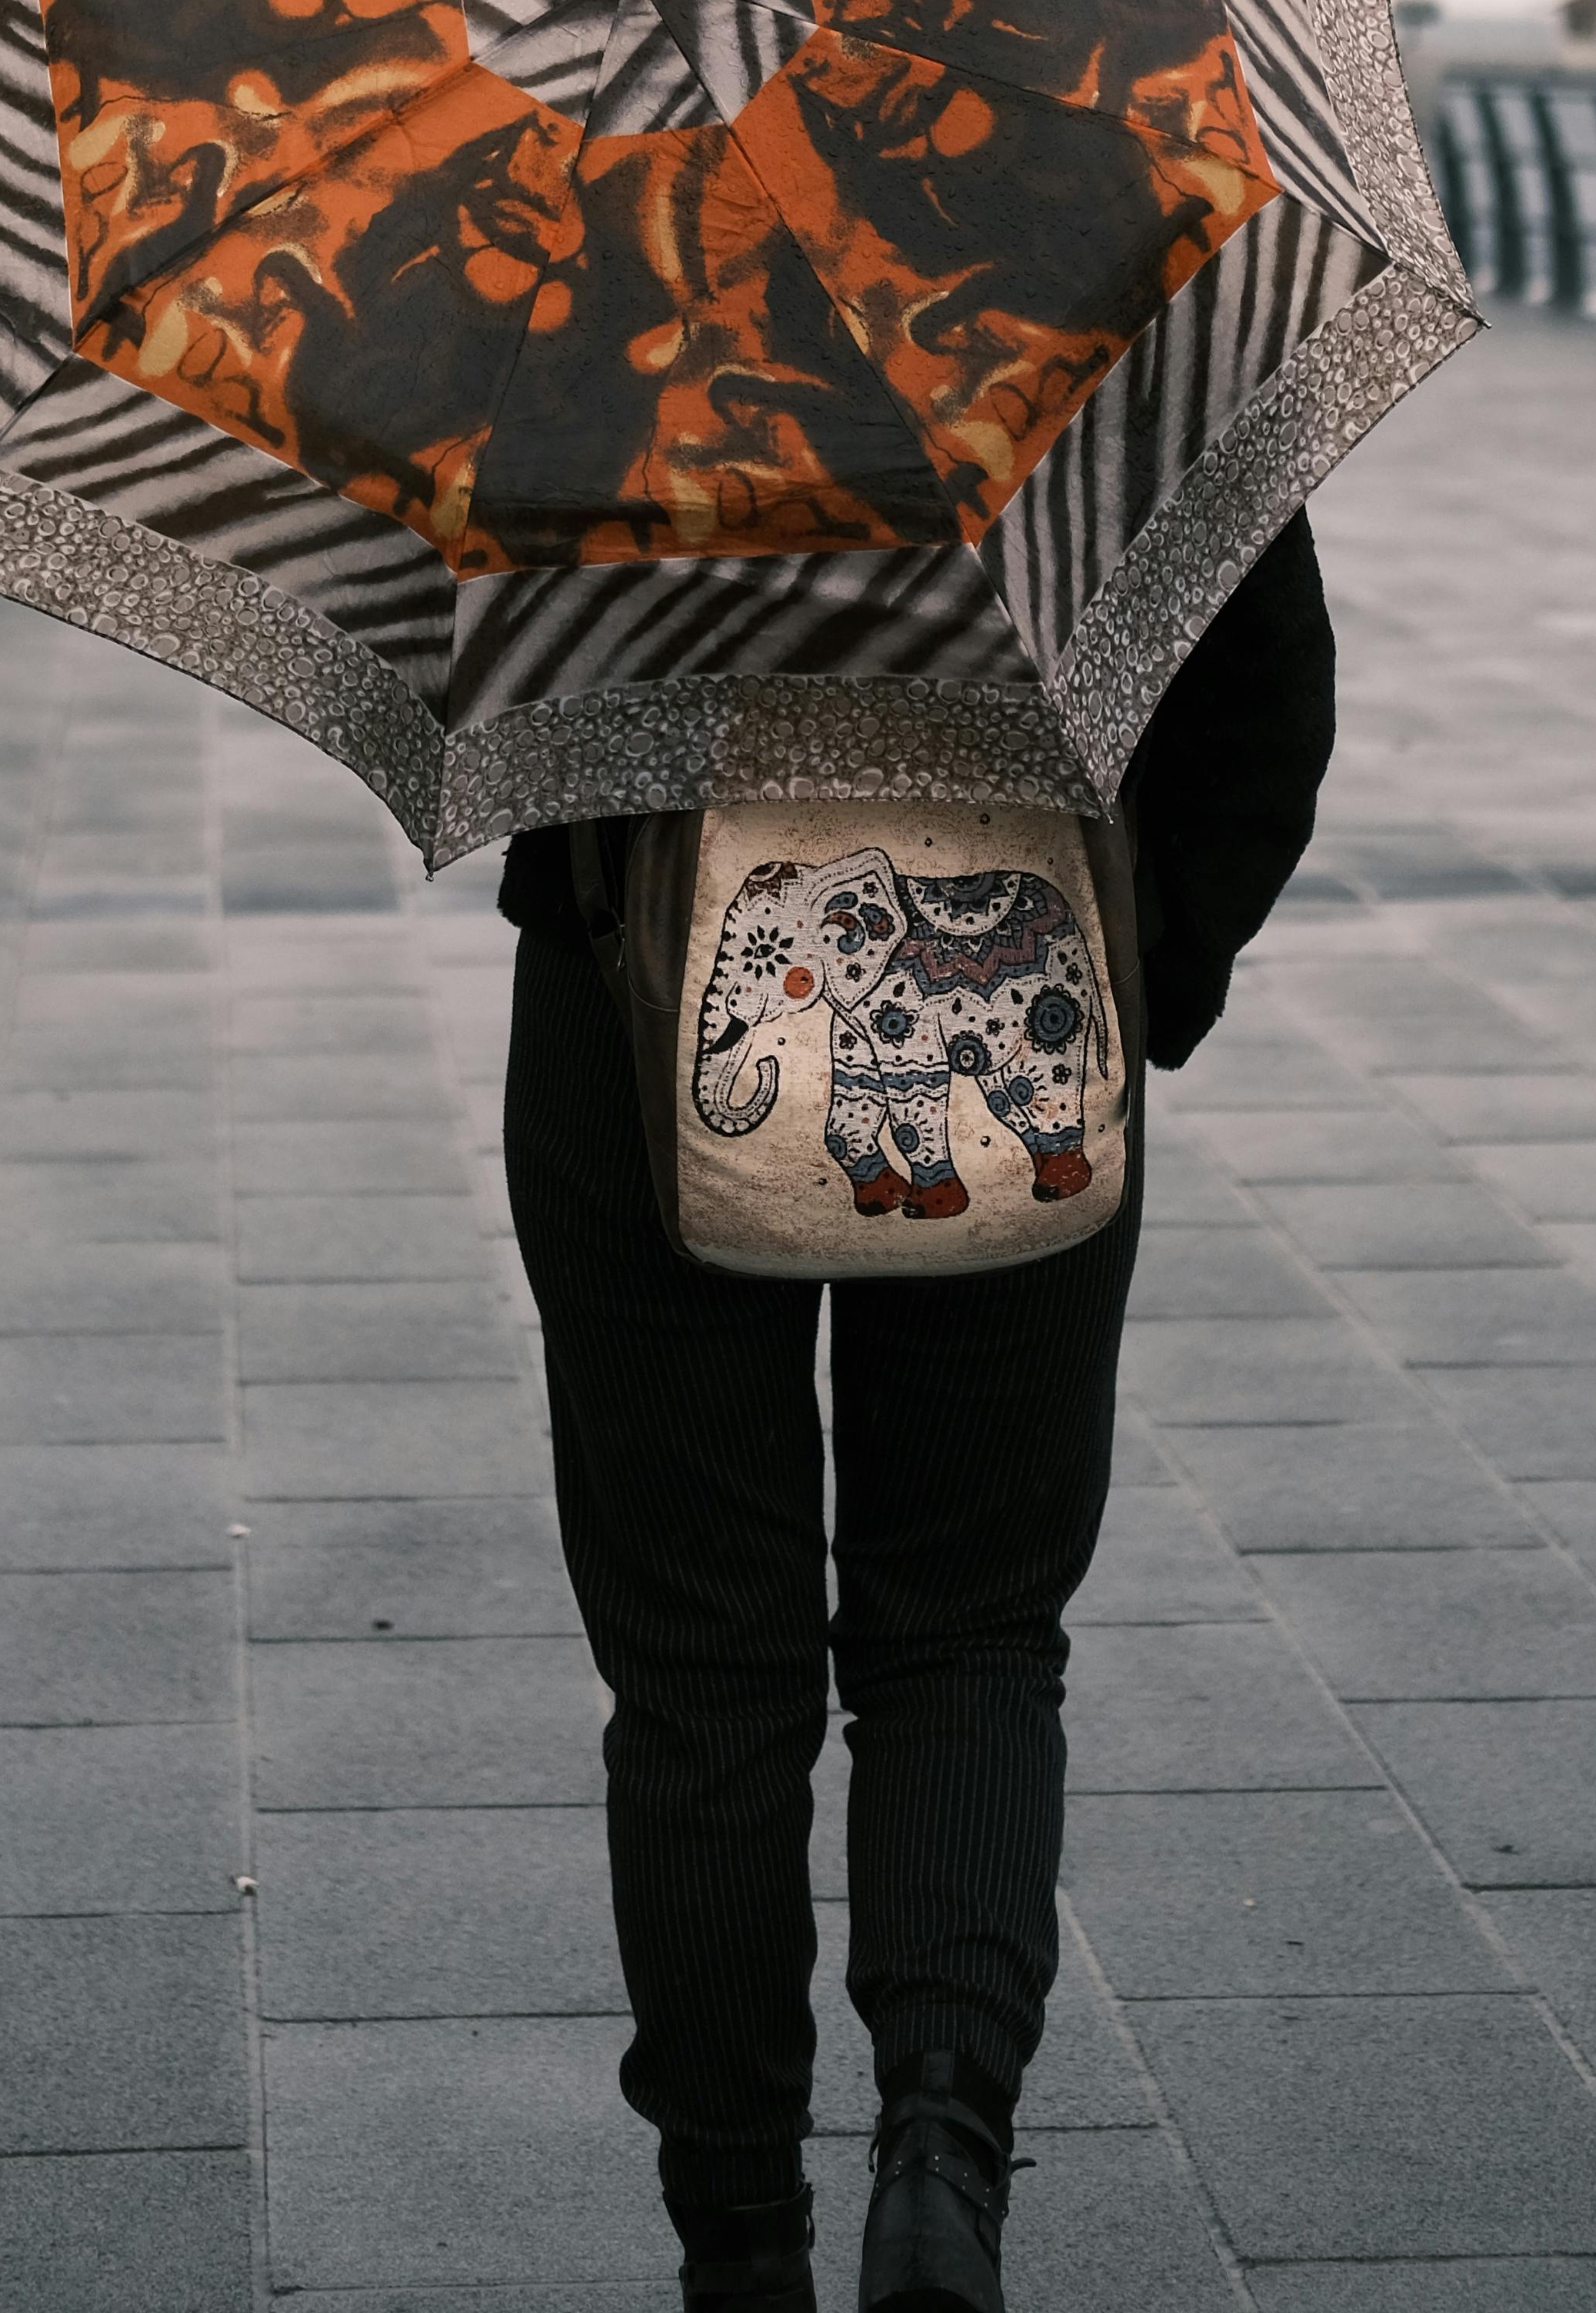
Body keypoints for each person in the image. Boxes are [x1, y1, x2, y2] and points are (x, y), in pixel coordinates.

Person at [496, 513, 1338, 2313]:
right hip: (1024, 974)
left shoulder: (569, 265)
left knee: (702, 1668)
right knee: (963, 1630)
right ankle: (941, 2154)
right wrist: (1142, 972)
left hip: (630, 975)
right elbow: (1262, 696)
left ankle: (737, 2246)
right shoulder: (1109, 264)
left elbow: (487, 656)